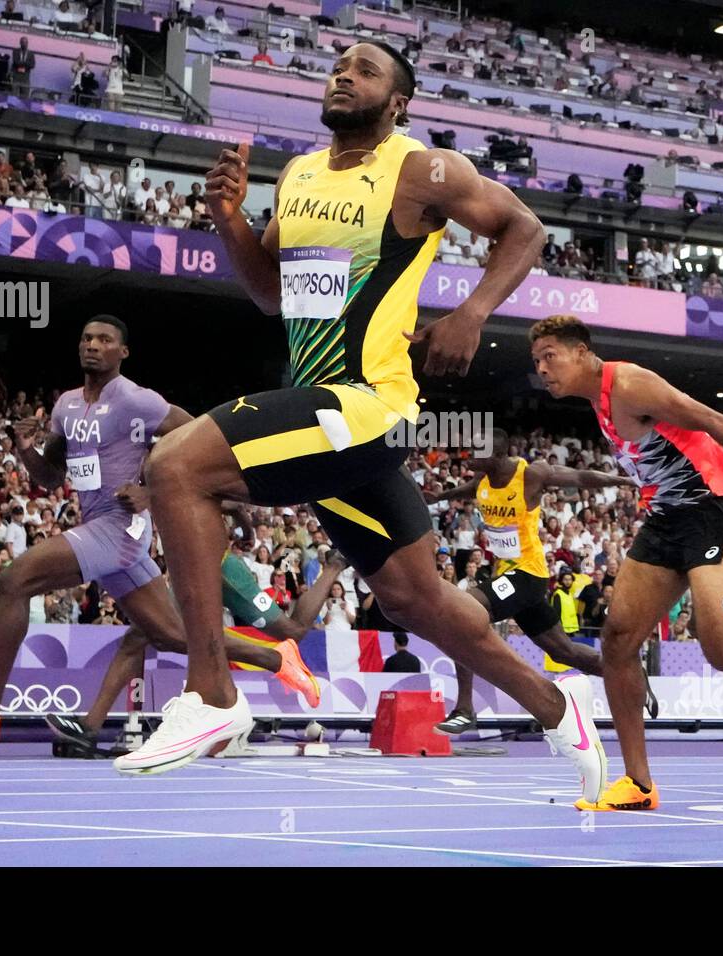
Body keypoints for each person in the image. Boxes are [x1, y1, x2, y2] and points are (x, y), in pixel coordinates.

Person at [128, 40, 606, 801]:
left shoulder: (421, 168)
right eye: (338, 67)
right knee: (419, 600)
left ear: (398, 102)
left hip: (367, 405)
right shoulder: (299, 174)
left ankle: (214, 698)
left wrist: (472, 312)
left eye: (366, 70)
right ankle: (558, 704)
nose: (344, 75)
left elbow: (524, 228)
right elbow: (271, 295)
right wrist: (228, 219)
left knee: (174, 466)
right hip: (321, 414)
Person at [0, 317, 311, 749]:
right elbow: (51, 478)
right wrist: (26, 449)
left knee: (14, 580)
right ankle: (277, 657)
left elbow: (204, 443)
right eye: (86, 337)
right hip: (98, 527)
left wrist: (150, 489)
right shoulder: (66, 405)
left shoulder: (138, 401)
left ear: (122, 352)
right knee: (170, 635)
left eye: (105, 340)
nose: (92, 345)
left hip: (120, 530)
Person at [528, 315, 723, 812]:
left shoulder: (629, 383)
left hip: (712, 513)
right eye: (536, 361)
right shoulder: (598, 404)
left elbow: (715, 421)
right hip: (665, 520)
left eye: (550, 356)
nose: (541, 368)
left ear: (581, 352)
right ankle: (639, 784)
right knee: (618, 641)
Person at [44, 504, 340, 752]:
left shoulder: (192, 469)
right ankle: (90, 727)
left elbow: (235, 509)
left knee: (292, 630)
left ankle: (333, 568)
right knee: (141, 634)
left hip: (222, 570)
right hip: (191, 569)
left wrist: (243, 529)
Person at [423, 428, 636, 734]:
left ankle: (465, 708)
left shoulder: (531, 476)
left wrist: (624, 480)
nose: (468, 457)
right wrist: (439, 497)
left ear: (496, 456)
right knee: (563, 651)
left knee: (462, 611)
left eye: (476, 452)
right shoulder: (483, 482)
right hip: (509, 577)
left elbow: (580, 478)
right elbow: (468, 490)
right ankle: (627, 674)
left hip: (528, 573)